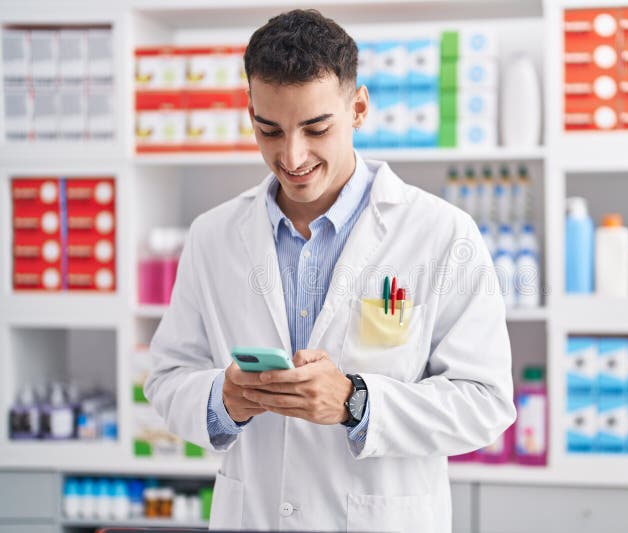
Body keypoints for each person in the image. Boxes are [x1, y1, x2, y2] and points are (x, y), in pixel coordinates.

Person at [144, 9, 515, 532]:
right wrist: (222, 399)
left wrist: (354, 402)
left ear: (358, 108)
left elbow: (486, 403)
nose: (292, 156)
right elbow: (166, 378)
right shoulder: (213, 235)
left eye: (316, 128)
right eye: (269, 130)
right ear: (250, 113)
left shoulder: (441, 233)